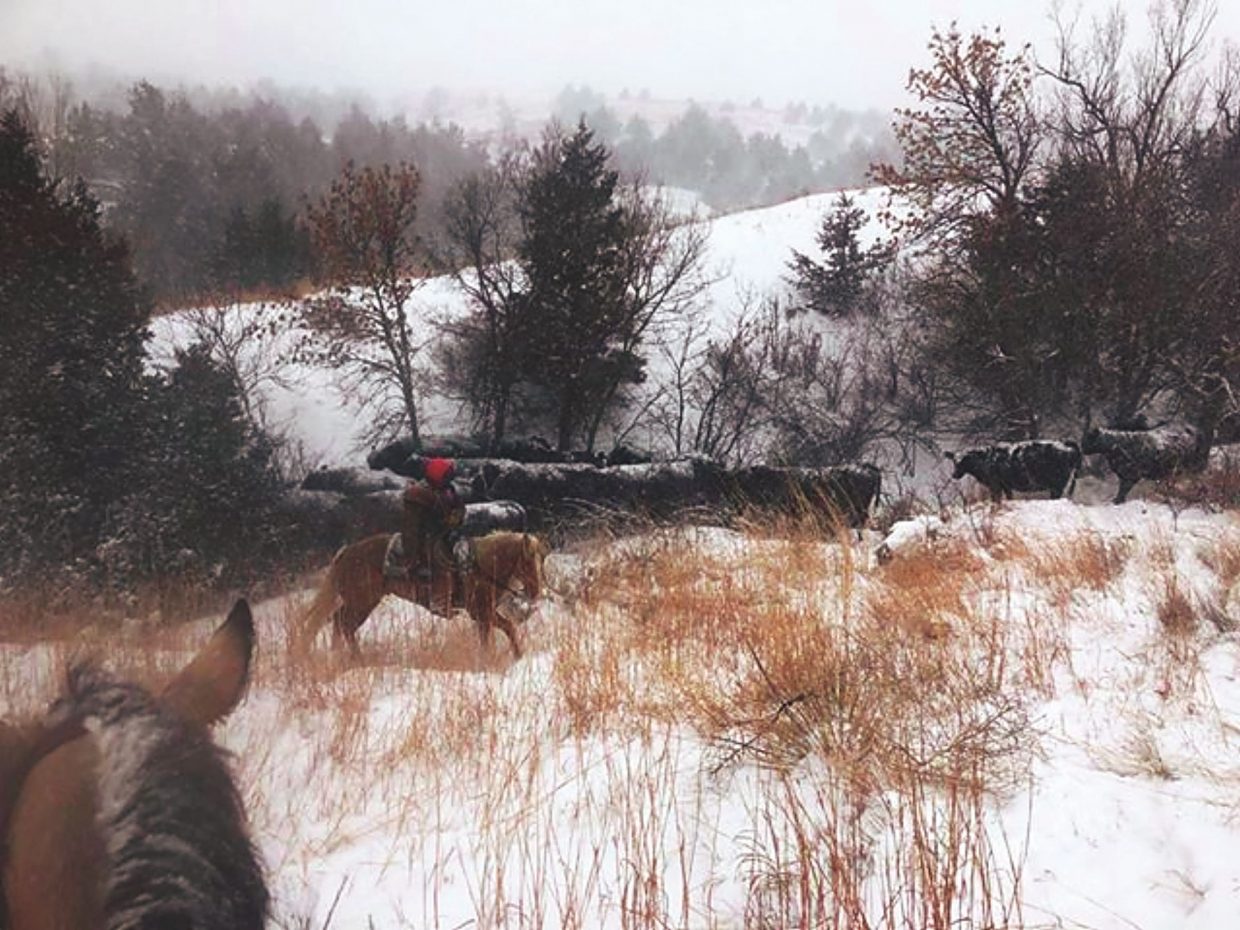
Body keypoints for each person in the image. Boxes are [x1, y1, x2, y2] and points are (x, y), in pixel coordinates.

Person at [397, 456, 465, 582]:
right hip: (426, 537)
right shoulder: (418, 494)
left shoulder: (449, 491)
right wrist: (413, 558)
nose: (448, 480)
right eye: (446, 477)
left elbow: (459, 507)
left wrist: (455, 517)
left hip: (448, 535)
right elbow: (411, 528)